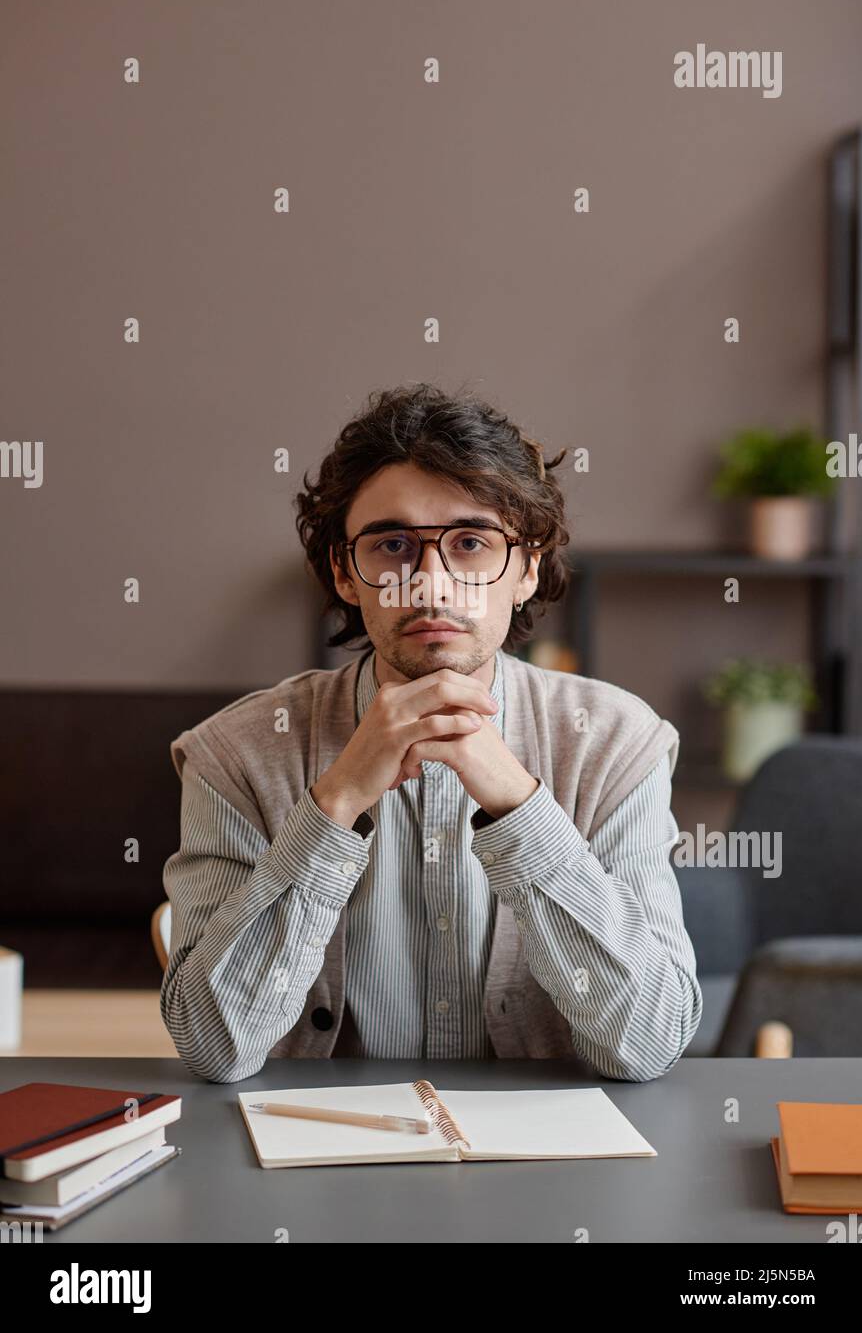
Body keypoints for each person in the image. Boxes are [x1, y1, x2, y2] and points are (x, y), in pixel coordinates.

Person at [160, 382, 702, 1082]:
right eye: (391, 545)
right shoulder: (233, 754)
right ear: (344, 574)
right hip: (320, 1157)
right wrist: (332, 805)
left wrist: (518, 805)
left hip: (552, 1169)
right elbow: (214, 1047)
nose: (430, 586)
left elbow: (649, 1041)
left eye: (471, 543)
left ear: (526, 568)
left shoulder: (615, 742)